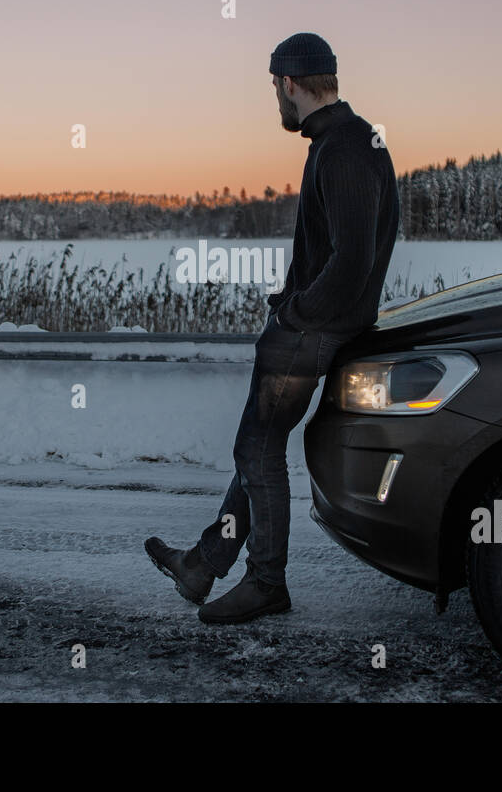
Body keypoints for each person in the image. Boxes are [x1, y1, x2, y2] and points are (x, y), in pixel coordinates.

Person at [145, 32, 401, 624]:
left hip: (311, 333)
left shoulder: (343, 149)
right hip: (322, 323)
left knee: (256, 449)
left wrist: (296, 313)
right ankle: (204, 565)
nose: (274, 102)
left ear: (290, 83)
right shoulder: (351, 141)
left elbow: (353, 257)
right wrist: (292, 293)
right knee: (257, 449)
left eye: (273, 89)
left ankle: (266, 583)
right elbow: (337, 254)